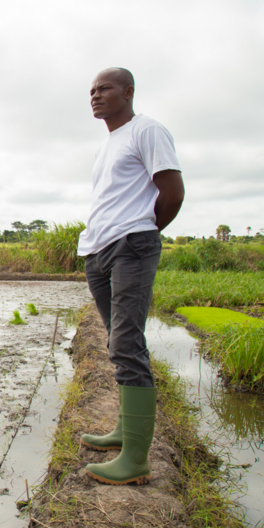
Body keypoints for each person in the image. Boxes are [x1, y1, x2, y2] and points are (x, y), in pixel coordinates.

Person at [78, 67, 185, 485]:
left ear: (128, 91)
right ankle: (126, 430)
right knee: (117, 341)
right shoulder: (108, 144)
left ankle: (136, 460)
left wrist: (142, 231)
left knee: (126, 343)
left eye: (104, 88)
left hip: (131, 246)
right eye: (92, 90)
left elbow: (172, 193)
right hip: (99, 251)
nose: (95, 95)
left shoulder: (147, 130)